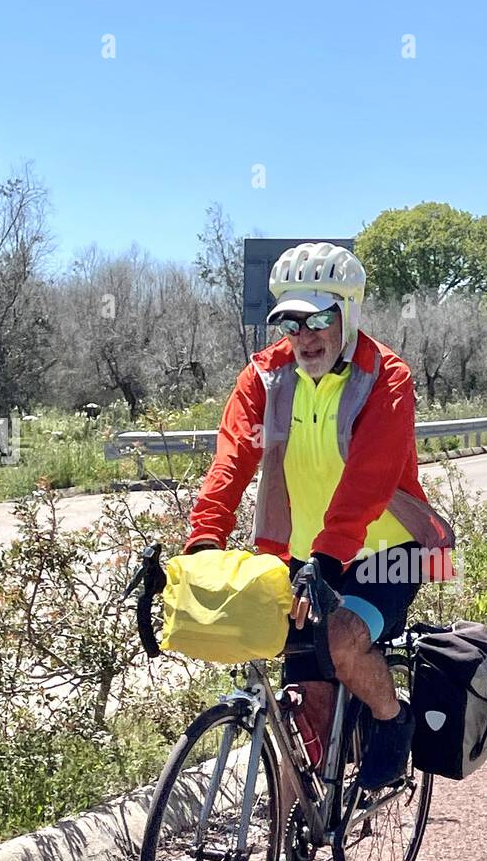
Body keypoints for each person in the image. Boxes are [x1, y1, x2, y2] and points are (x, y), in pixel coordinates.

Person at [185, 242, 454, 801]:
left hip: (388, 550)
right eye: (291, 322)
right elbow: (231, 460)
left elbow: (369, 481)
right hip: (307, 552)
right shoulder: (266, 376)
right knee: (297, 687)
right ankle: (292, 846)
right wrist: (203, 543)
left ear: (348, 314)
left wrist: (328, 563)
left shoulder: (385, 378)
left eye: (320, 319)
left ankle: (390, 718)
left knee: (341, 639)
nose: (305, 336)